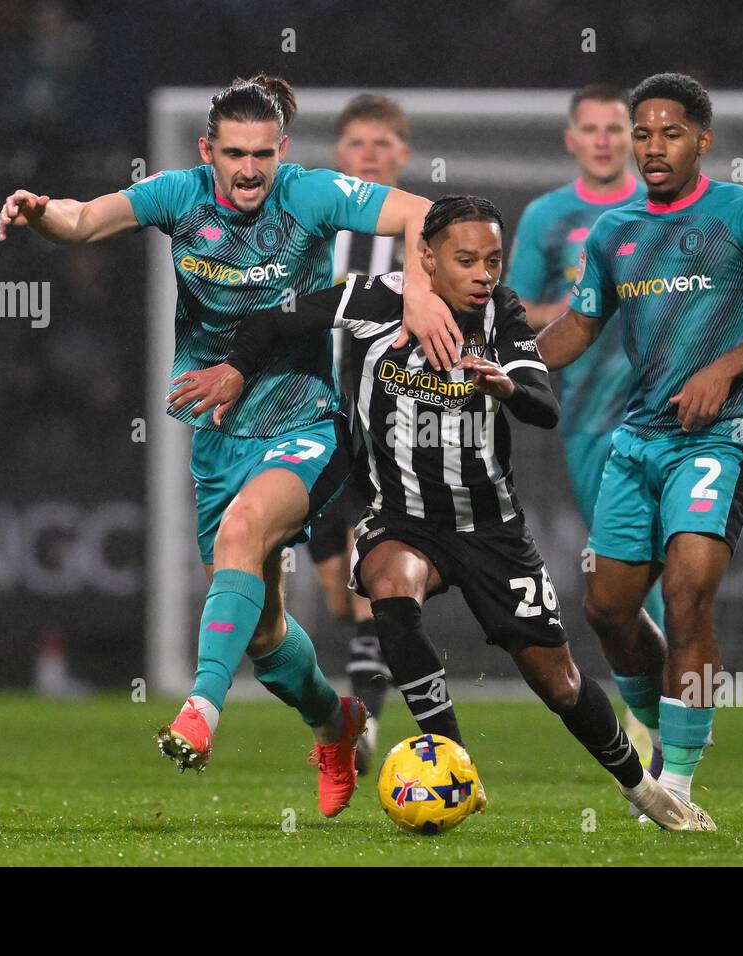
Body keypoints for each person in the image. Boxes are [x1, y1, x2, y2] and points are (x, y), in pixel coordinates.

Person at [0, 74, 463, 818]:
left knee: (247, 533)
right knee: (267, 636)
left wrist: (416, 288)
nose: (249, 169)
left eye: (262, 154)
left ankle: (199, 713)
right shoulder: (178, 195)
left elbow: (428, 214)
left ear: (282, 150)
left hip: (304, 422)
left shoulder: (309, 193)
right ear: (206, 149)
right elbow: (83, 220)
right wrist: (39, 211)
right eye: (234, 153)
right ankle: (335, 723)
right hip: (219, 438)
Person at [192, 195, 692, 825]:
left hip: (492, 530)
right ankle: (452, 754)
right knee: (387, 584)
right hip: (401, 518)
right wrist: (237, 370)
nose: (484, 273)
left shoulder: (503, 315)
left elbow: (543, 403)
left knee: (560, 684)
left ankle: (643, 790)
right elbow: (272, 320)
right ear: (426, 256)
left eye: (493, 259)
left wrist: (506, 385)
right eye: (466, 260)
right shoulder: (374, 300)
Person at [536, 73, 743, 831]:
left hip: (718, 438)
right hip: (636, 443)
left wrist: (727, 367)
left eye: (669, 133)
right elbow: (577, 328)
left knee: (690, 591)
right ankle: (668, 726)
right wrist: (506, 368)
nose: (652, 147)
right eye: (642, 133)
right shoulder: (614, 232)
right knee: (606, 609)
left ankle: (680, 783)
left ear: (704, 139)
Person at [507, 83, 667, 778]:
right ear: (572, 140)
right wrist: (582, 301)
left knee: (671, 557)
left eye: (616, 128)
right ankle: (656, 705)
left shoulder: (665, 205)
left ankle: (656, 716)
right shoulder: (550, 215)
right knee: (624, 563)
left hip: (668, 408)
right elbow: (508, 308)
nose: (605, 139)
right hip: (590, 419)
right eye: (592, 129)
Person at [311, 94, 414, 773]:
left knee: (367, 576)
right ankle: (360, 696)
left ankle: (366, 721)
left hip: (389, 424)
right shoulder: (315, 231)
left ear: (402, 155)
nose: (370, 154)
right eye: (357, 143)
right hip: (315, 419)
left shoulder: (422, 232)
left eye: (382, 144)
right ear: (340, 155)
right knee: (333, 590)